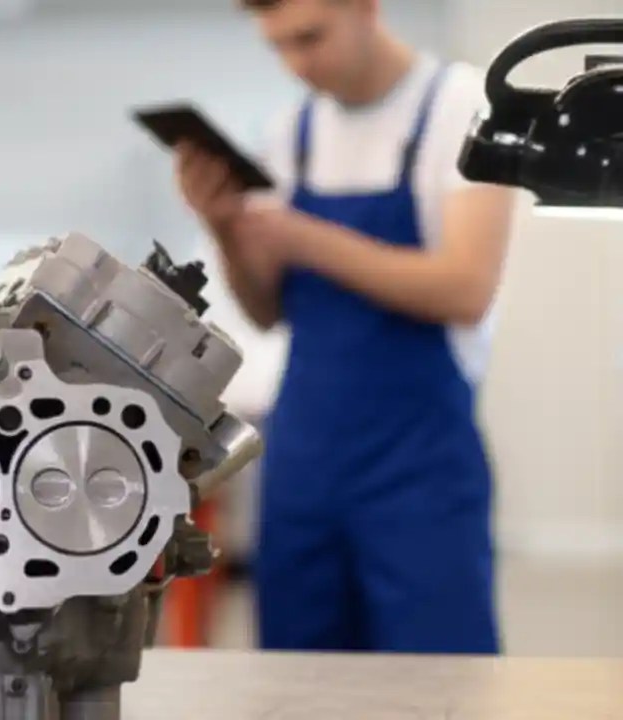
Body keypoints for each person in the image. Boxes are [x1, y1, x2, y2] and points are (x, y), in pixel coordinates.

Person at [175, 0, 515, 654]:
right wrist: (223, 225)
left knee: (440, 678)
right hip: (304, 457)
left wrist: (306, 239)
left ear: (366, 8)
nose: (298, 63)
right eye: (279, 46)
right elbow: (269, 312)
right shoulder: (290, 131)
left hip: (420, 465)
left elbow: (466, 287)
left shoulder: (463, 108)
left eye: (310, 37)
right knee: (302, 676)